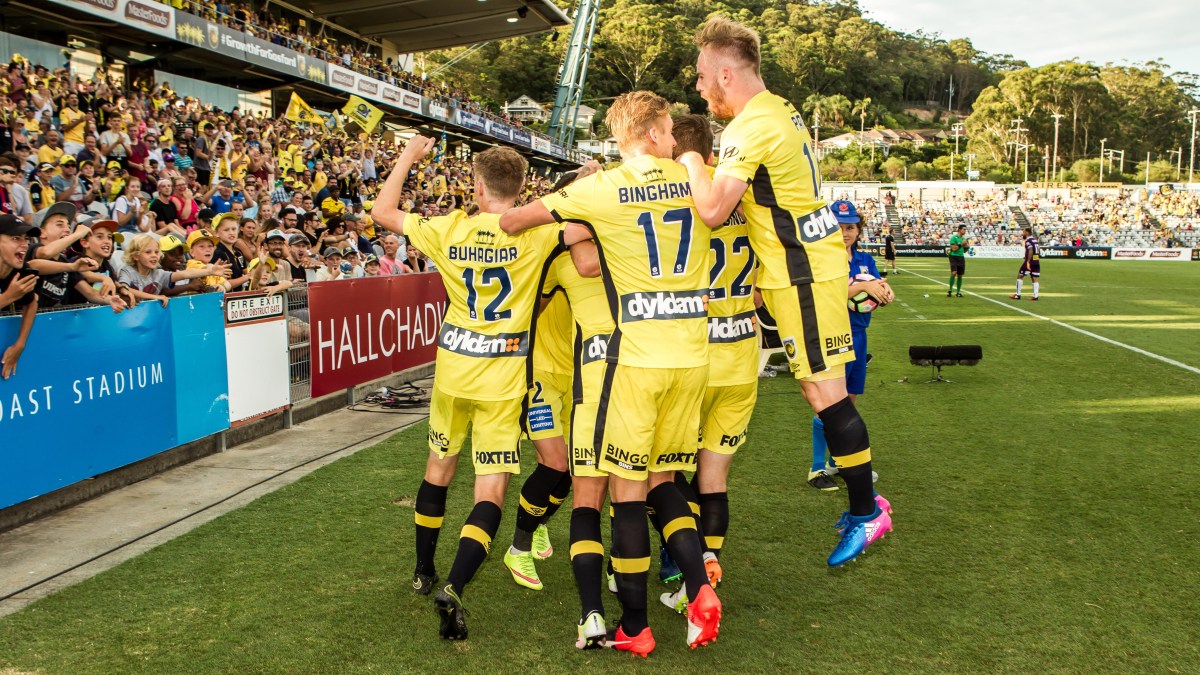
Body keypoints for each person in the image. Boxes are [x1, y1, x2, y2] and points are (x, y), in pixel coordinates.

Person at [501, 91, 722, 656]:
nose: (674, 139)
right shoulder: (698, 176)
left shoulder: (600, 191)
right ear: (650, 133)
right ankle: (698, 585)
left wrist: (573, 198)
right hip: (693, 356)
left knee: (622, 495)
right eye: (669, 130)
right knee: (666, 483)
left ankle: (634, 626)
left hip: (632, 362)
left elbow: (512, 221)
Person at [678, 16, 891, 567]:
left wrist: (689, 161)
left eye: (702, 76)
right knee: (817, 393)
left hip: (800, 273)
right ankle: (865, 503)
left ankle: (869, 513)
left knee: (827, 395)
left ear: (726, 74)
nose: (698, 87)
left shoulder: (752, 127)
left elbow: (712, 208)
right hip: (799, 270)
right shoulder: (781, 108)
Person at [372, 137, 589, 642]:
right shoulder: (537, 234)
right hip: (503, 379)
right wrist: (580, 184)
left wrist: (408, 157)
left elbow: (383, 211)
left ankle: (423, 571)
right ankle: (454, 585)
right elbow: (582, 225)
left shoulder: (450, 228)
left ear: (476, 184)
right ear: (520, 188)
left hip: (453, 372)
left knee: (438, 469)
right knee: (490, 488)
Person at [658, 114, 758, 613]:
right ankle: (706, 571)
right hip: (742, 357)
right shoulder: (745, 199)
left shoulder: (676, 201)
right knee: (714, 476)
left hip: (692, 356)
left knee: (669, 472)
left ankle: (680, 567)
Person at [808, 201, 894, 495]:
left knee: (850, 402)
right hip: (832, 335)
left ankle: (840, 461)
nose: (845, 233)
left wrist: (883, 292)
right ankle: (817, 467)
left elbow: (874, 292)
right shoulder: (822, 258)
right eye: (839, 226)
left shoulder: (864, 260)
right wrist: (861, 288)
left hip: (859, 334)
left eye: (850, 227)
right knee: (829, 403)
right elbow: (829, 294)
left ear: (858, 230)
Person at [0, 213, 39, 379]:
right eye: (16, 238)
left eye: (26, 239)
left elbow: (32, 301)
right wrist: (8, 297)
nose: (25, 245)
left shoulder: (21, 270)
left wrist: (20, 344)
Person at [1010, 226, 1041, 301]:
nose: (1023, 233)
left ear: (1027, 232)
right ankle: (1035, 296)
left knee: (1020, 276)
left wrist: (1028, 261)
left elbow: (1030, 250)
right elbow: (1038, 250)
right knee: (1034, 278)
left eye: (1024, 232)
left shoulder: (1028, 241)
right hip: (1036, 261)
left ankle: (1018, 295)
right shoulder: (1035, 240)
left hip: (1030, 262)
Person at [947, 224, 969, 297]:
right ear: (959, 229)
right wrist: (961, 244)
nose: (965, 231)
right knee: (954, 272)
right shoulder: (954, 238)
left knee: (960, 275)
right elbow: (953, 248)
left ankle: (958, 292)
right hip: (953, 256)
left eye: (965, 229)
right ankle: (950, 290)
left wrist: (967, 247)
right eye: (964, 229)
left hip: (961, 257)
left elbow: (964, 251)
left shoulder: (964, 239)